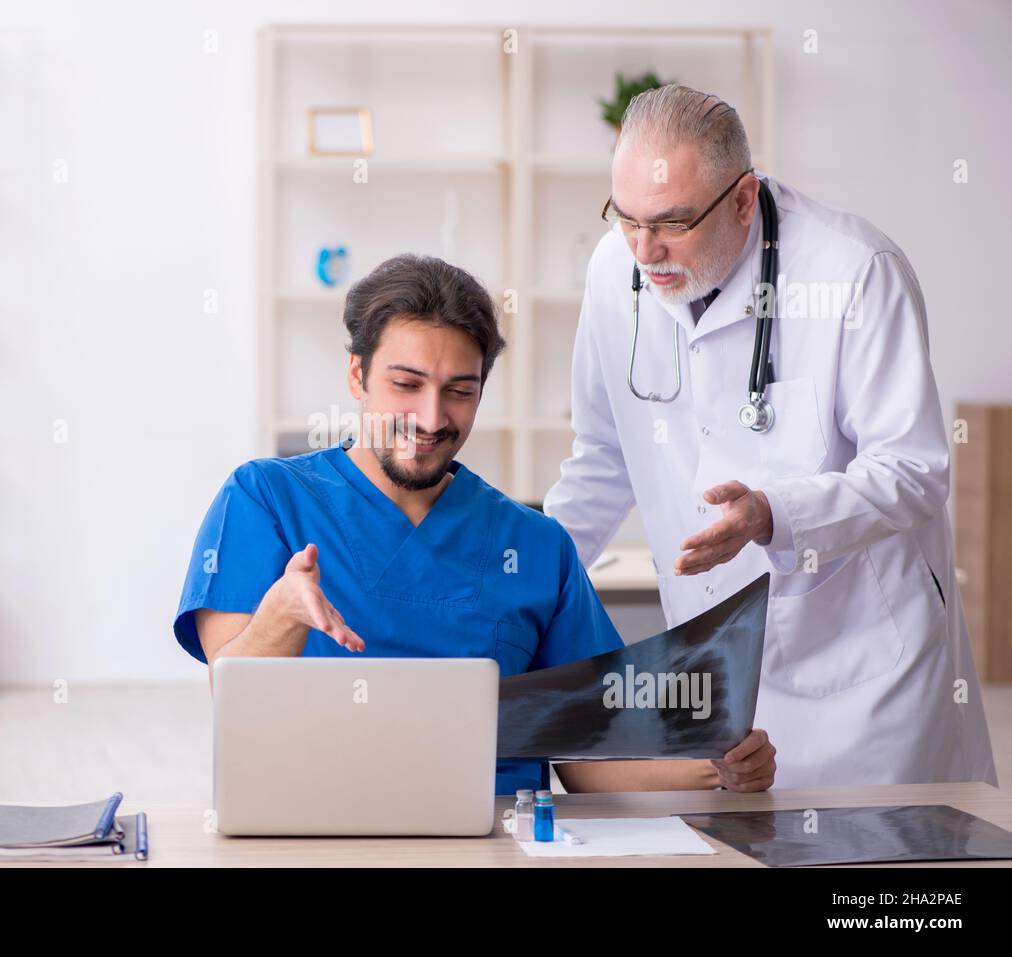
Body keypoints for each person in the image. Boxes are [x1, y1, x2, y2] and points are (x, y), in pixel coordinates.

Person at [175, 252, 776, 795]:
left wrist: (713, 766)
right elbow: (234, 704)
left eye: (459, 391)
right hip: (313, 831)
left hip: (494, 837)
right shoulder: (265, 498)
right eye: (406, 385)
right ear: (356, 375)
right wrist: (282, 611)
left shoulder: (535, 545)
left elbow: (586, 754)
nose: (432, 418)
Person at [545, 84, 996, 787]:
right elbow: (604, 455)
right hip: (718, 671)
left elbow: (913, 469)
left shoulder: (854, 272)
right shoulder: (616, 271)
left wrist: (774, 514)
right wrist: (525, 570)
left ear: (743, 200)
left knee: (867, 881)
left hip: (864, 675)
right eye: (625, 218)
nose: (645, 249)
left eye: (671, 222)